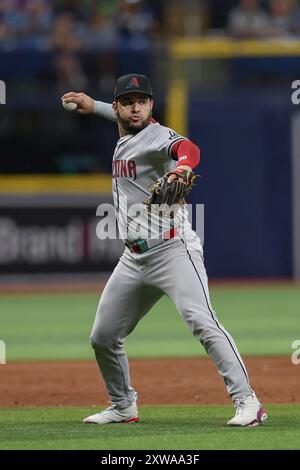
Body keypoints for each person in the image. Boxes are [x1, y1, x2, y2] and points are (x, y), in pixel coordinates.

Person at [61, 74, 268, 427]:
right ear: (118, 107)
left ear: (152, 105)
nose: (136, 107)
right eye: (128, 101)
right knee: (103, 336)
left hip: (173, 250)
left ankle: (248, 401)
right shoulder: (129, 130)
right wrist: (91, 105)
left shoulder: (158, 136)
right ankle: (123, 405)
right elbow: (126, 123)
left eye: (142, 100)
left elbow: (188, 149)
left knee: (203, 322)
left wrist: (184, 167)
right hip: (134, 258)